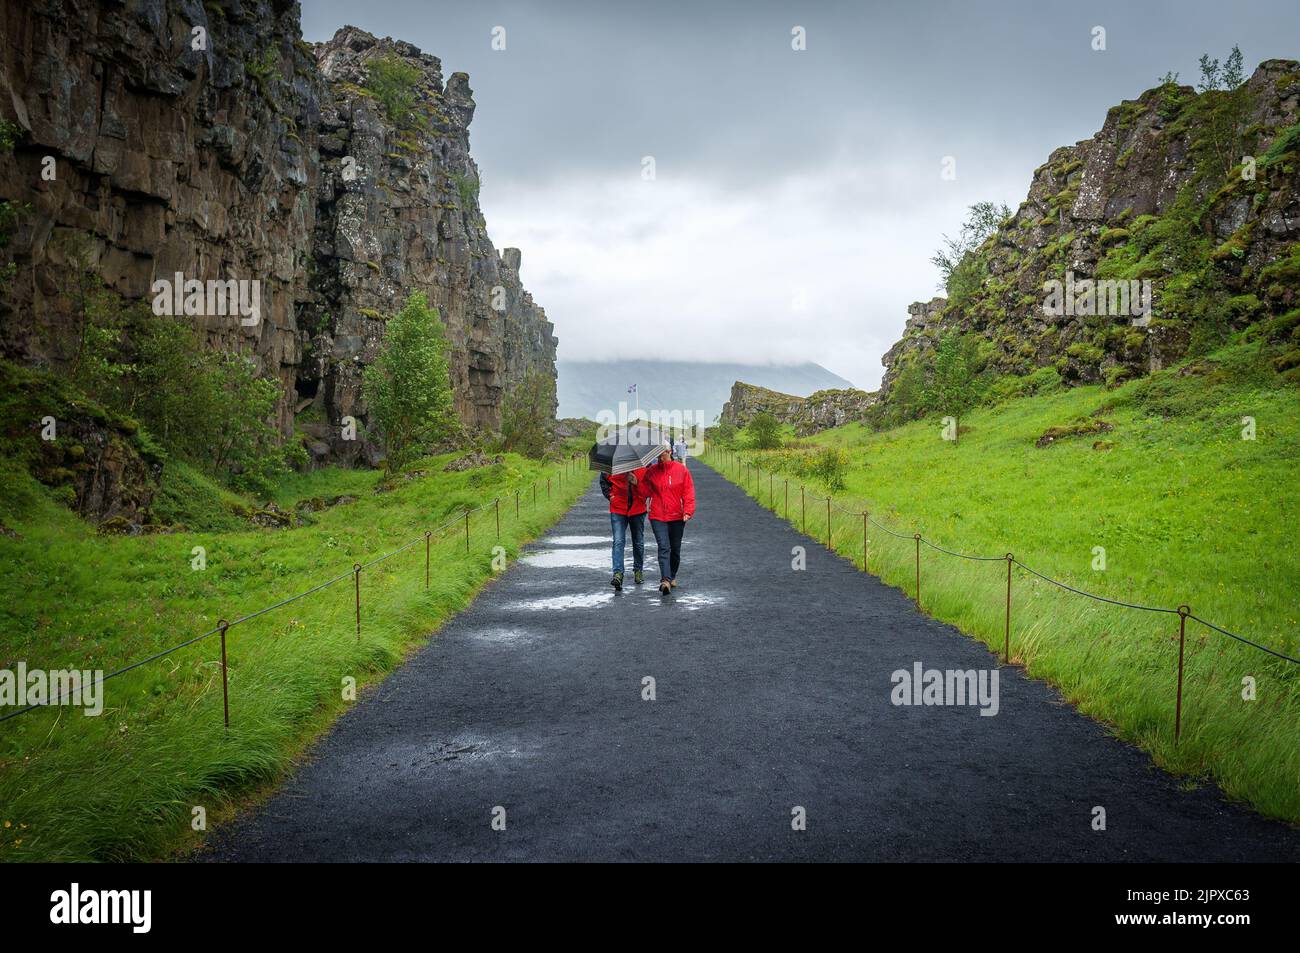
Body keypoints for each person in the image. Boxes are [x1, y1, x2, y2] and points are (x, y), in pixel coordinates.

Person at [631, 441, 696, 595]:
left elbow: (688, 492)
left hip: (677, 515)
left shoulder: (682, 470)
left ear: (669, 452)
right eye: (657, 456)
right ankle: (665, 580)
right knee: (663, 547)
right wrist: (635, 483)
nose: (659, 459)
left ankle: (672, 575)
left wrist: (688, 511)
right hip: (657, 515)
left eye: (662, 455)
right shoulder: (652, 471)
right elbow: (645, 492)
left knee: (675, 549)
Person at [603, 466, 647, 590]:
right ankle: (617, 574)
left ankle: (638, 570)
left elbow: (648, 491)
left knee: (638, 542)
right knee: (618, 541)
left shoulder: (644, 468)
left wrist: (636, 482)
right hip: (618, 508)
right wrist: (610, 496)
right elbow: (603, 481)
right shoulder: (612, 466)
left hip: (638, 509)